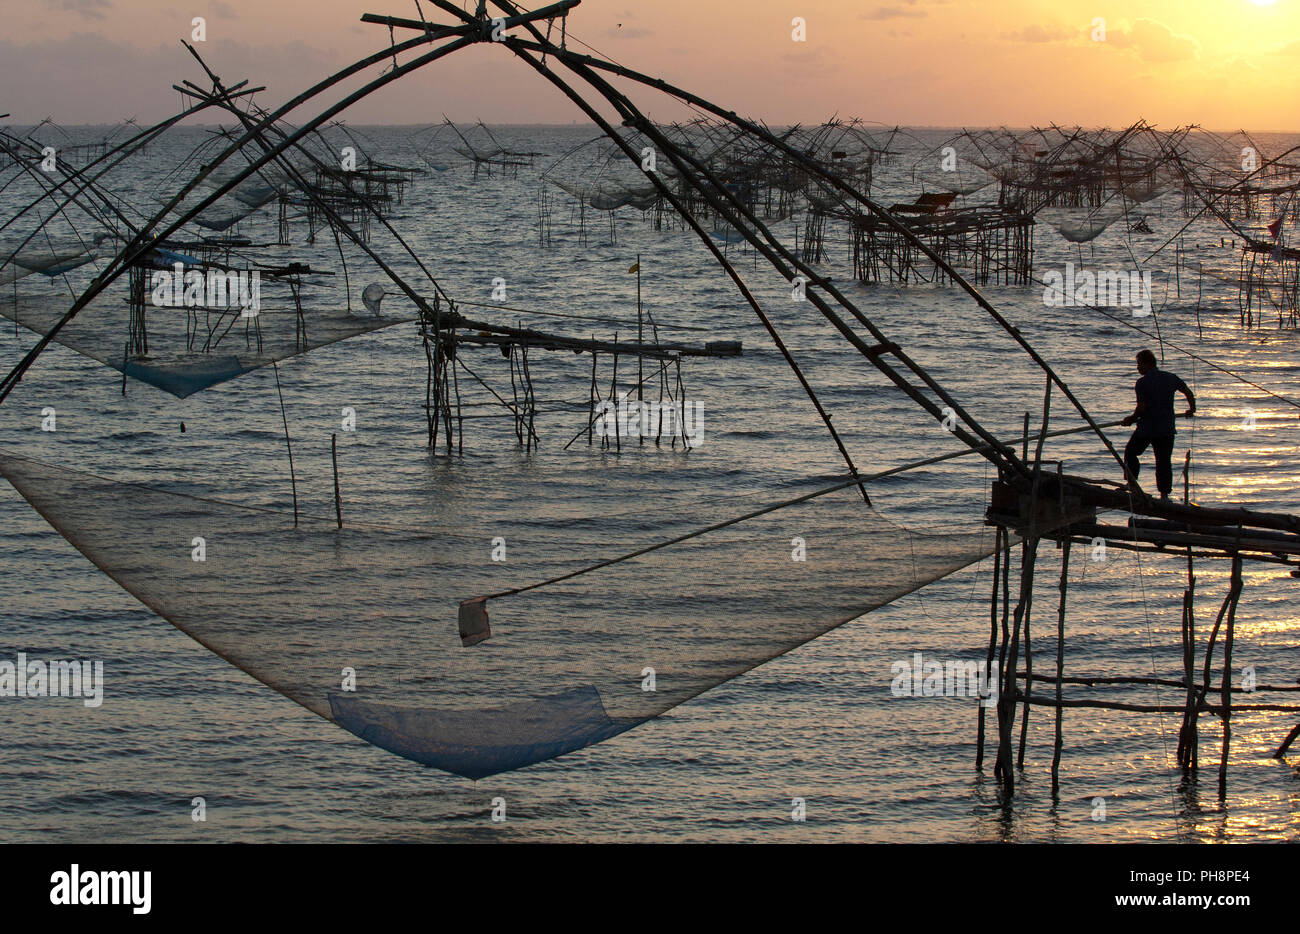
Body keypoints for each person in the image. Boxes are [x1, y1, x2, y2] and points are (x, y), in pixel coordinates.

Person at [1120, 349, 1195, 499]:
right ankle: (1164, 494)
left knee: (1130, 452)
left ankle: (1132, 484)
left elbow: (1142, 408)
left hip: (1147, 428)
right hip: (1166, 429)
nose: (1138, 368)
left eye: (1139, 364)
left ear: (1147, 364)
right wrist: (1192, 409)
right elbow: (1188, 392)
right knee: (1163, 461)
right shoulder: (1170, 378)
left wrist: (1131, 419)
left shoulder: (1142, 383)